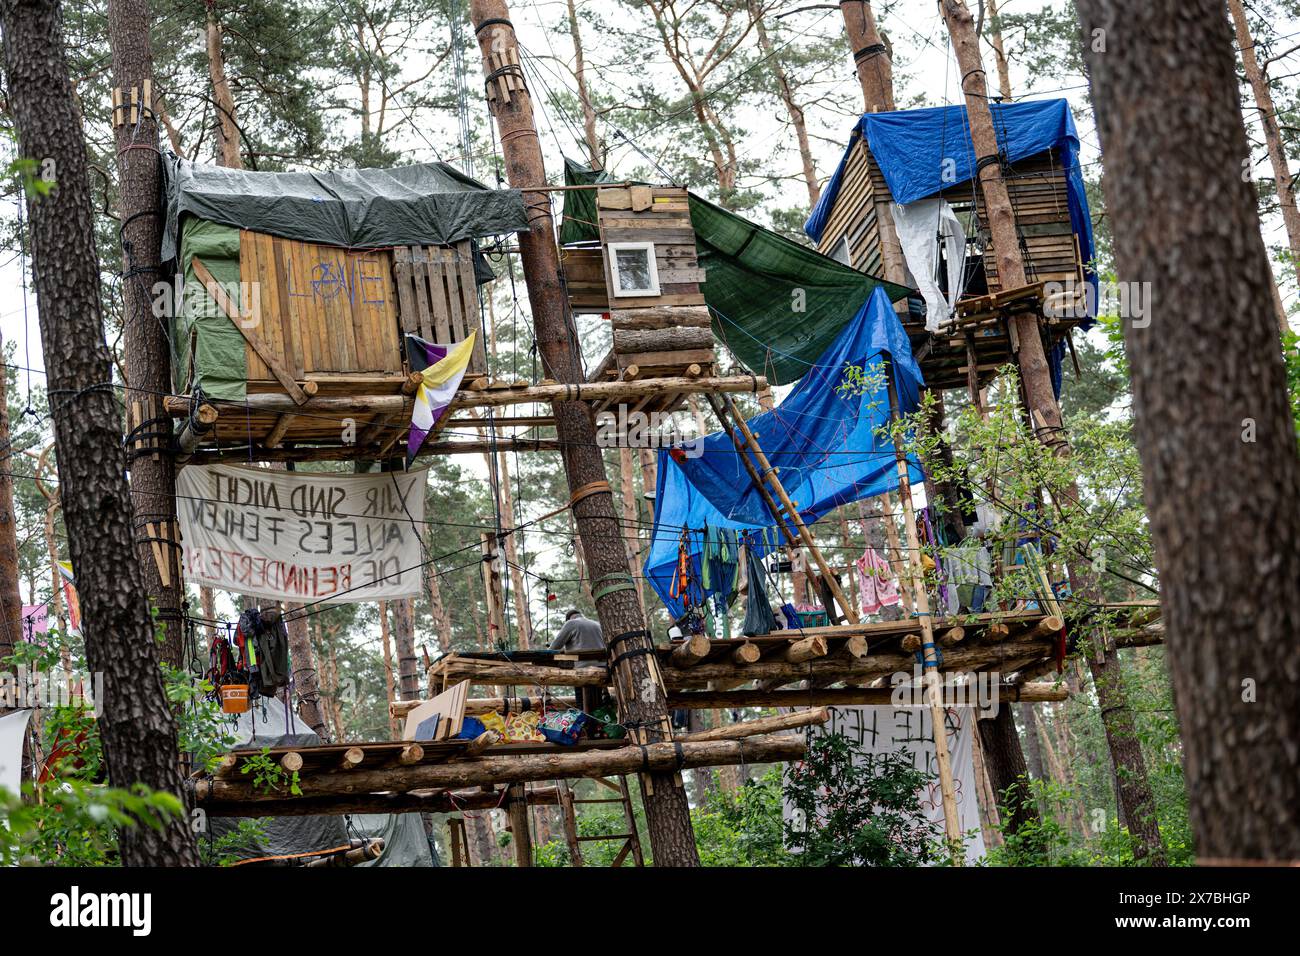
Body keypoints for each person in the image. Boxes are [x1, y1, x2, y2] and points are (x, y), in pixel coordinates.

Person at [550, 610, 606, 716]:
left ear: (568, 619)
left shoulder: (571, 624)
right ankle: (600, 726)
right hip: (603, 669)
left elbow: (554, 647)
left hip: (583, 670)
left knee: (583, 706)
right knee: (599, 705)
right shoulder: (597, 624)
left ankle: (587, 726)